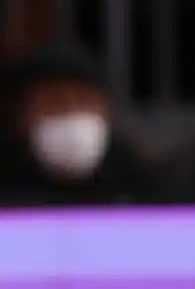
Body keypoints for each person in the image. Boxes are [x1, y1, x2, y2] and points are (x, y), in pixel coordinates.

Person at [0, 46, 155, 206]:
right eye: (54, 103)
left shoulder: (140, 182)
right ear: (20, 116)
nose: (71, 113)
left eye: (85, 101)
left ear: (108, 111)